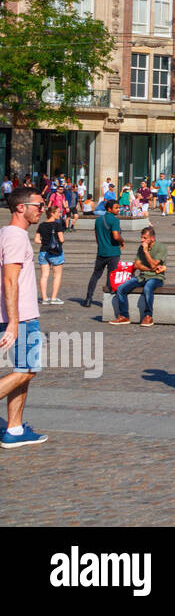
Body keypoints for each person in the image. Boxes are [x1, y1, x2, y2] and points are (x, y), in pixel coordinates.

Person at [0, 189, 48, 448]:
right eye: (39, 205)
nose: (42, 209)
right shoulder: (16, 237)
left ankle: (14, 430)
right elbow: (10, 280)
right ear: (21, 208)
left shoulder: (5, 234)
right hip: (22, 317)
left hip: (18, 315)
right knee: (27, 370)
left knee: (22, 371)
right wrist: (14, 322)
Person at [111, 226, 167, 327]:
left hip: (156, 278)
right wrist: (151, 269)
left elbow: (154, 264)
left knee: (148, 288)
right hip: (142, 276)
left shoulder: (160, 247)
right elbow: (137, 265)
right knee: (121, 288)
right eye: (142, 237)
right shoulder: (141, 247)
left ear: (152, 238)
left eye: (145, 238)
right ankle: (124, 316)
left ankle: (148, 316)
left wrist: (146, 252)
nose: (142, 240)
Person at [83, 198, 124, 307]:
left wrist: (102, 244)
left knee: (95, 275)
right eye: (116, 208)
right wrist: (122, 241)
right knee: (111, 277)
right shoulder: (115, 220)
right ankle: (108, 300)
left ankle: (88, 298)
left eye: (118, 207)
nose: (118, 209)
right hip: (113, 252)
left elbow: (96, 236)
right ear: (109, 209)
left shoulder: (98, 220)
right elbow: (115, 235)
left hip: (101, 252)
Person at [36, 205, 66, 306]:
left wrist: (45, 242)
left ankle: (44, 298)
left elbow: (36, 240)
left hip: (43, 252)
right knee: (57, 276)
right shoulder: (57, 225)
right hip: (55, 253)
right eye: (58, 212)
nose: (59, 214)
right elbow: (61, 239)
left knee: (44, 275)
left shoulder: (41, 225)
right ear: (52, 214)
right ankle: (53, 298)